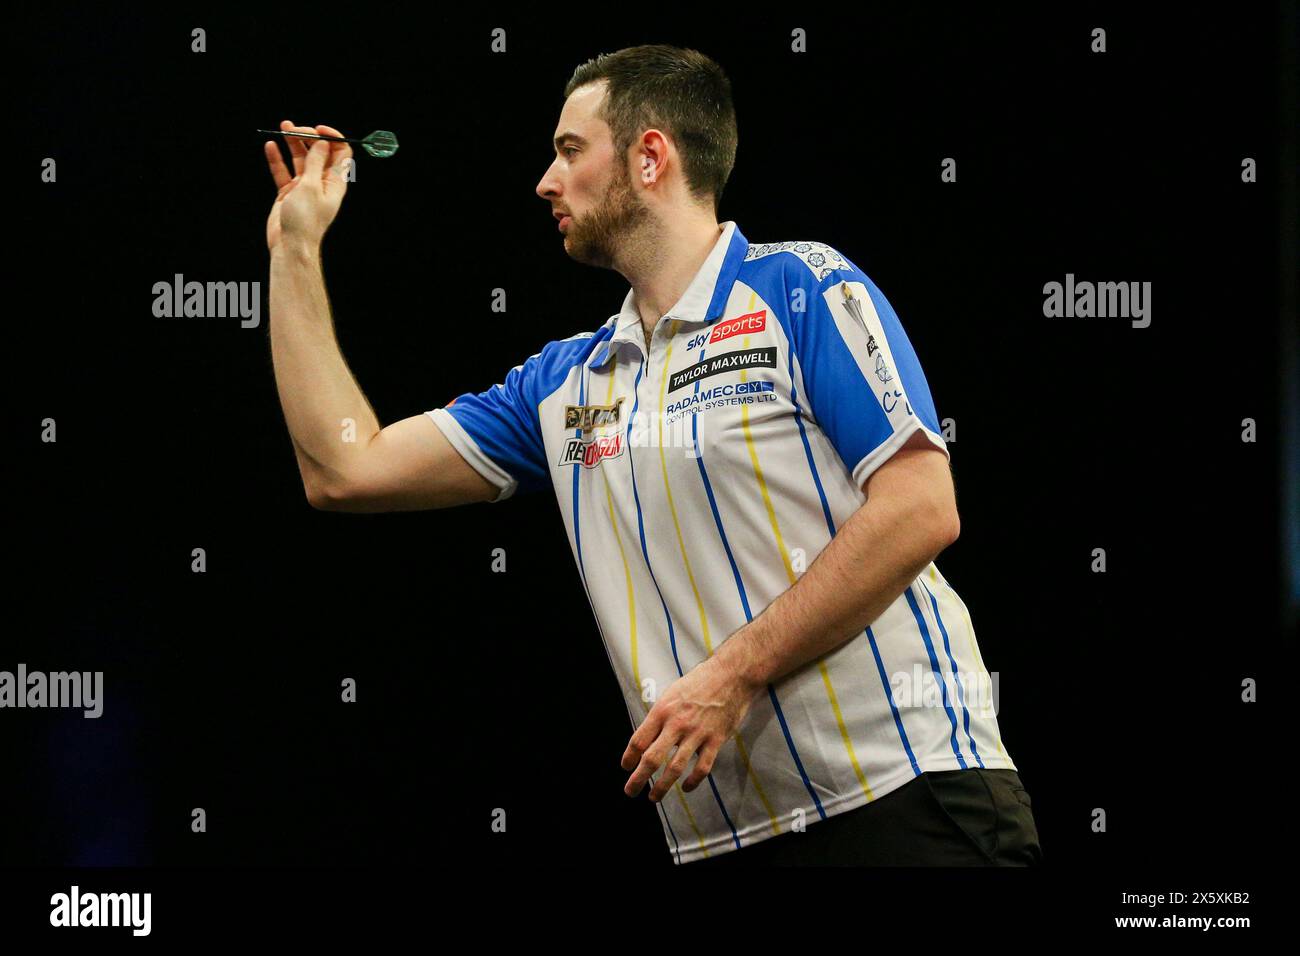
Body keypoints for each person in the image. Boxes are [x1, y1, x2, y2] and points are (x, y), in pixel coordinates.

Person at [263, 43, 1042, 867]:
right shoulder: (562, 383)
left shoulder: (803, 288)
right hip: (724, 839)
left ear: (649, 156)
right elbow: (344, 470)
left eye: (569, 151)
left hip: (907, 799)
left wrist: (732, 675)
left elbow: (922, 509)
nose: (545, 182)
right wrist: (294, 249)